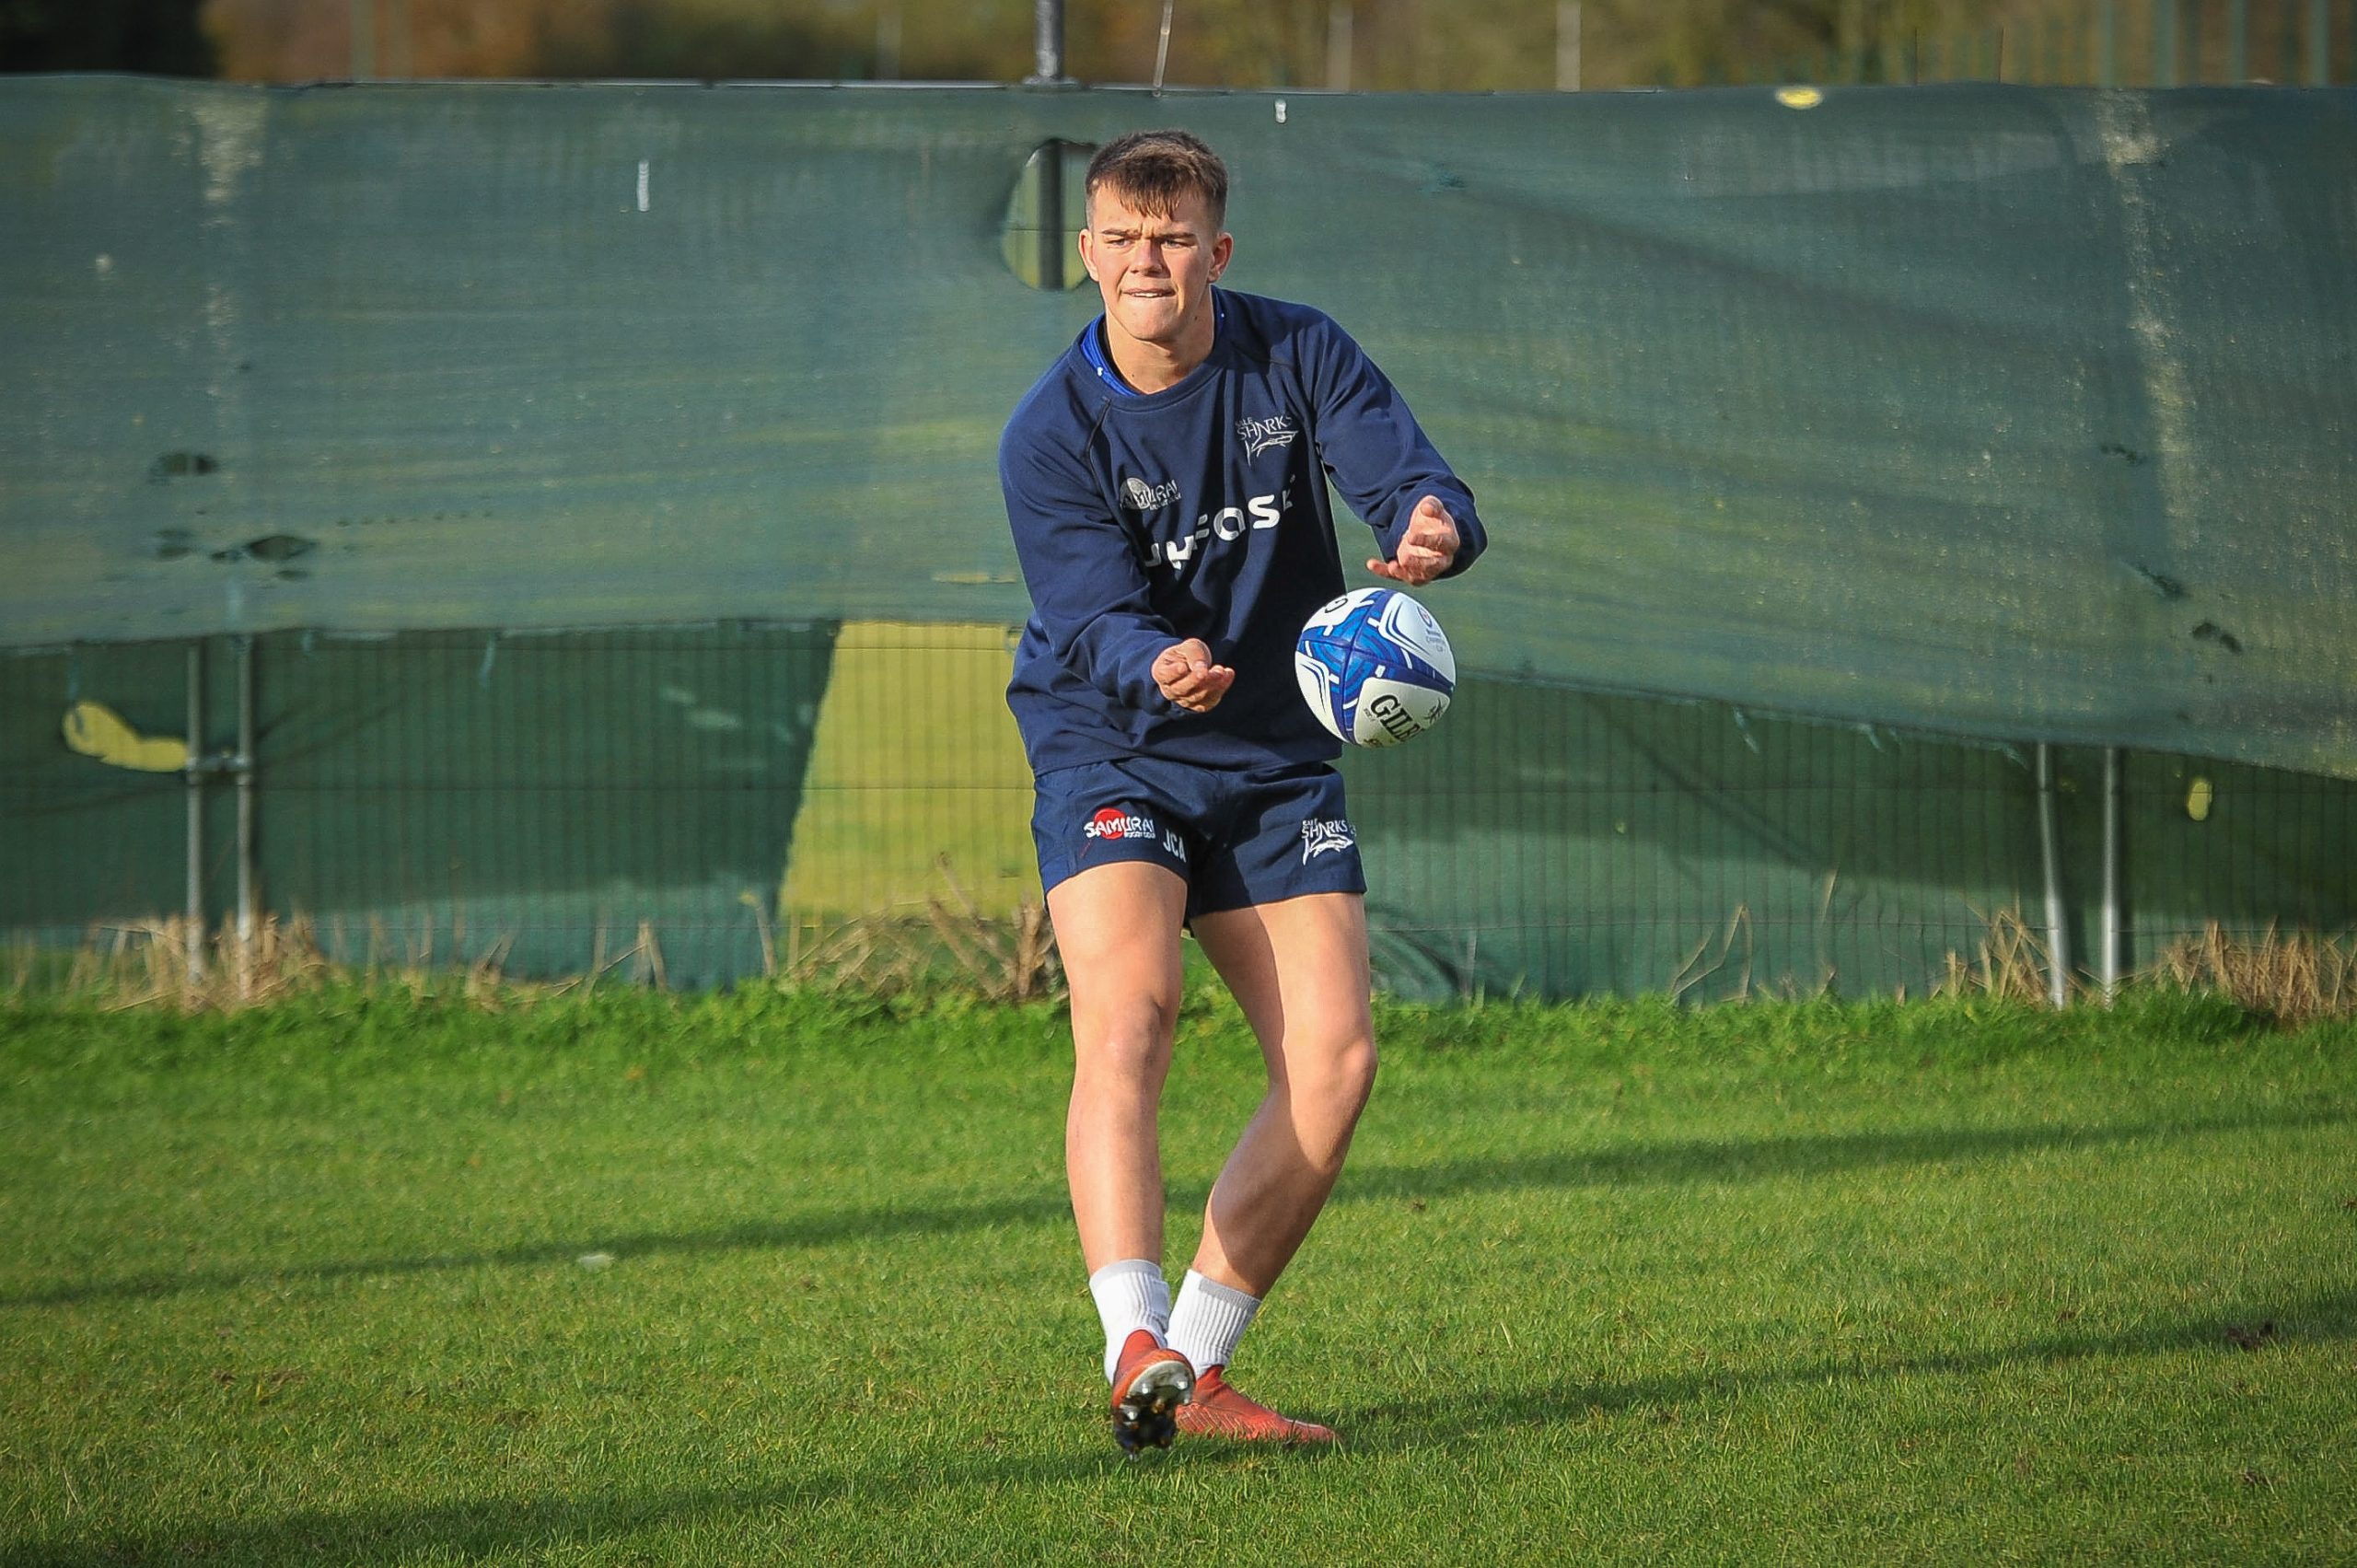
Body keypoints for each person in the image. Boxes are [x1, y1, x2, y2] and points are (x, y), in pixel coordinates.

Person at [999, 129, 1486, 1454]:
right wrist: (1157, 661)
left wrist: (1431, 521)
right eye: (1122, 238)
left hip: (1273, 756)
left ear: (1217, 251)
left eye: (1174, 240)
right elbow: (1092, 619)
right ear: (1087, 252)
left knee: (1334, 1063)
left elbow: (1412, 476)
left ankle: (1195, 1377)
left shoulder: (1295, 351)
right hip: (1115, 741)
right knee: (1135, 1015)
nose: (1147, 261)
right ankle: (1131, 1339)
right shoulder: (1050, 433)